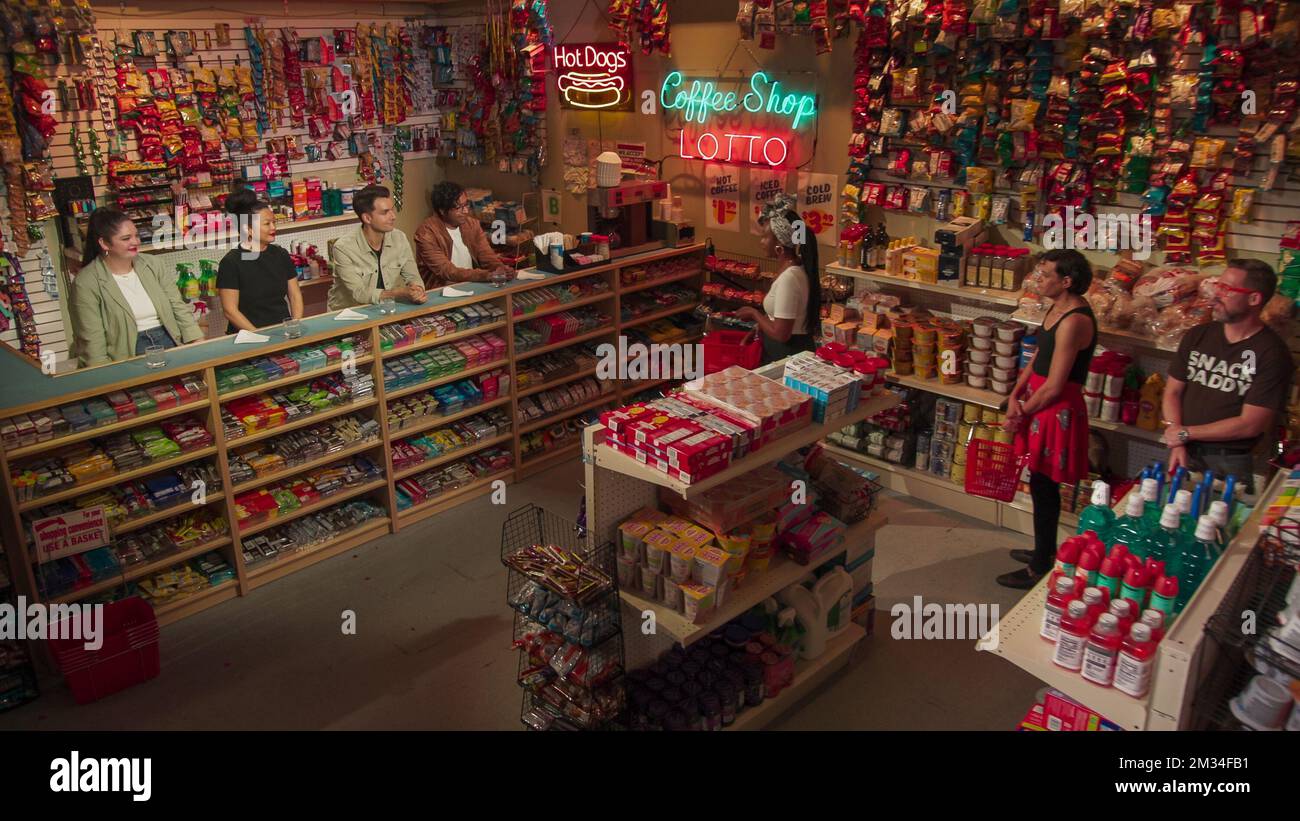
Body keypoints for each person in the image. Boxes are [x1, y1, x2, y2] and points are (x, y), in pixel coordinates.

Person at [997, 249, 1098, 589]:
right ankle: (1044, 550)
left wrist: (1021, 412)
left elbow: (1056, 386)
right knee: (1041, 483)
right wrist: (1015, 393)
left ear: (1066, 281)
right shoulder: (1057, 309)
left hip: (1055, 410)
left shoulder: (1074, 321)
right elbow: (1040, 354)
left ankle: (1041, 563)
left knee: (1044, 485)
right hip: (1038, 401)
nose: (1037, 280)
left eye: (1044, 275)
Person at [1162, 259, 1292, 493]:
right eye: (1218, 286)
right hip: (1182, 450)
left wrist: (1183, 433)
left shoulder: (1272, 354)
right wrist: (1177, 438)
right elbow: (1172, 391)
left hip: (1229, 461)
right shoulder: (1197, 335)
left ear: (1254, 299)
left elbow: (1250, 424)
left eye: (1228, 290)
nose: (1216, 295)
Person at [71, 208, 203, 367]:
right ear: (104, 243)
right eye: (126, 238)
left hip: (169, 341)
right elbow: (92, 338)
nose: (135, 242)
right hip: (126, 354)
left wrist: (197, 341)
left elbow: (177, 306)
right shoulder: (86, 282)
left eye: (137, 235)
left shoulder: (153, 264)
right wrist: (104, 375)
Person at [734, 193, 821, 363]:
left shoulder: (789, 278)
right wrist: (760, 327)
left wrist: (754, 314)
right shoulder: (795, 268)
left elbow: (782, 334)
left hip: (787, 355)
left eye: (765, 237)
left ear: (779, 248)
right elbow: (781, 318)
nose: (761, 241)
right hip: (784, 351)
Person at [327, 184, 427, 312]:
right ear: (367, 218)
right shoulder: (343, 248)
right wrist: (400, 293)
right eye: (385, 212)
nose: (393, 216)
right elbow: (359, 293)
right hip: (349, 314)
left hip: (385, 308)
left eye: (392, 210)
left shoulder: (399, 237)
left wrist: (417, 290)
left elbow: (413, 276)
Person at [217, 188, 303, 334]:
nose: (273, 227)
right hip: (248, 337)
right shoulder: (231, 262)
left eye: (274, 222)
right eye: (267, 224)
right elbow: (230, 310)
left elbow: (295, 295)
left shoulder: (280, 254)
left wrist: (295, 325)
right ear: (248, 229)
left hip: (283, 332)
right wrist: (259, 336)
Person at [413, 181, 514, 287]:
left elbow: (486, 255)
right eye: (459, 208)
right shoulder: (426, 233)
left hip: (471, 285)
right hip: (441, 291)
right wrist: (486, 275)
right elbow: (447, 270)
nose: (465, 211)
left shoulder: (471, 224)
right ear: (442, 210)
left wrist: (500, 269)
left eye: (466, 205)